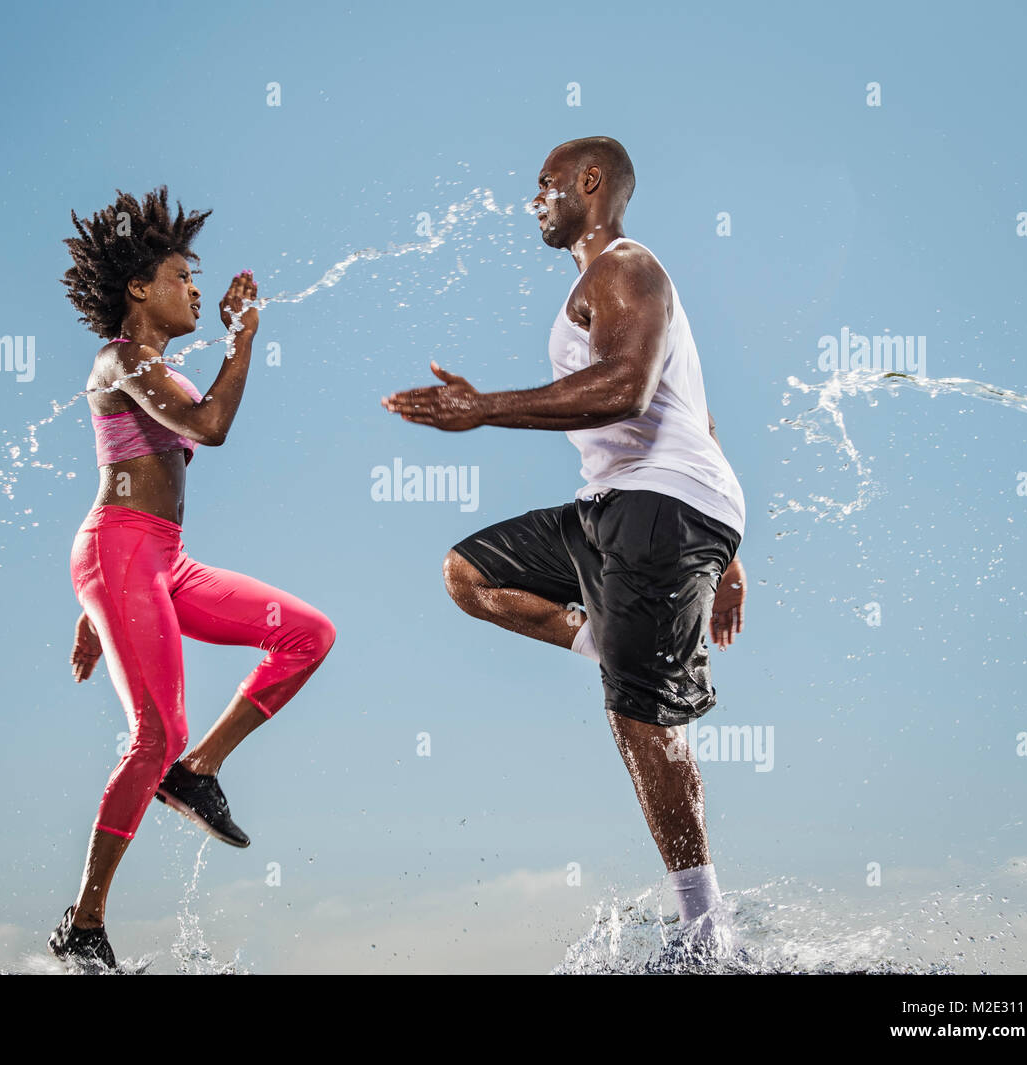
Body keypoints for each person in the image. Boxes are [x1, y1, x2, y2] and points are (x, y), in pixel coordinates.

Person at [382, 137, 747, 959]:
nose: (533, 200)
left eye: (543, 185)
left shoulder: (625, 267)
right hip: (615, 505)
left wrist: (485, 409)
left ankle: (708, 935)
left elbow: (628, 387)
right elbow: (702, 416)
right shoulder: (593, 285)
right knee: (468, 573)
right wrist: (730, 560)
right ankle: (617, 647)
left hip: (661, 502)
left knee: (637, 719)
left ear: (590, 184)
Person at [50, 187, 336, 970]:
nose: (197, 289)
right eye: (183, 274)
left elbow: (149, 453)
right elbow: (211, 425)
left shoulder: (156, 368)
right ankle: (83, 925)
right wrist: (243, 341)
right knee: (154, 731)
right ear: (140, 288)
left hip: (159, 560)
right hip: (122, 552)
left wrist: (97, 611)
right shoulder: (122, 357)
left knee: (308, 635)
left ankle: (197, 771)